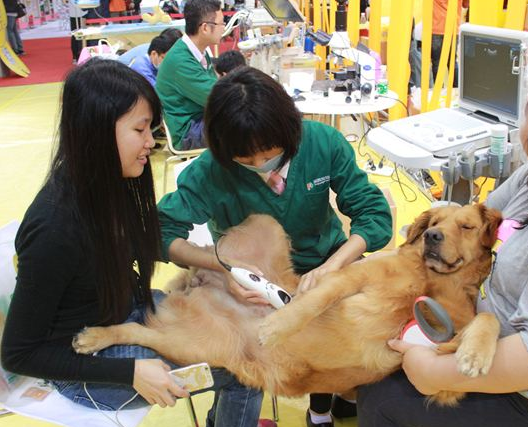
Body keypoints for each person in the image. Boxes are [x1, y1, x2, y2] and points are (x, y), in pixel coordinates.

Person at [0, 59, 263, 427]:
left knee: (243, 337)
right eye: (140, 129)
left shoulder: (110, 185)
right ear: (96, 131)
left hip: (127, 315)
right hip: (87, 364)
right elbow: (19, 354)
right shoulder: (55, 228)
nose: (150, 142)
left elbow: (151, 244)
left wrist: (218, 267)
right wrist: (131, 372)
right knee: (247, 371)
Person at [157, 66, 393, 427]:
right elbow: (162, 233)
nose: (260, 167)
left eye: (268, 155)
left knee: (345, 334)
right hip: (248, 282)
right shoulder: (209, 171)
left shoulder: (323, 143)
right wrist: (224, 268)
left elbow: (372, 213)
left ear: (290, 130)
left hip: (322, 263)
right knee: (242, 359)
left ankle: (323, 408)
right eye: (244, 161)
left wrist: (334, 267)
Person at [356, 108, 528, 427]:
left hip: (516, 388)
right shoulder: (526, 177)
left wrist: (431, 373)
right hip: (468, 322)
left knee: (380, 398)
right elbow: (472, 219)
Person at [156, 0, 223, 150]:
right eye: (221, 24)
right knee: (246, 124)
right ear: (205, 28)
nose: (223, 29)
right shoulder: (181, 61)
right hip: (188, 132)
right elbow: (218, 98)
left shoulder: (198, 52)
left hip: (201, 120)